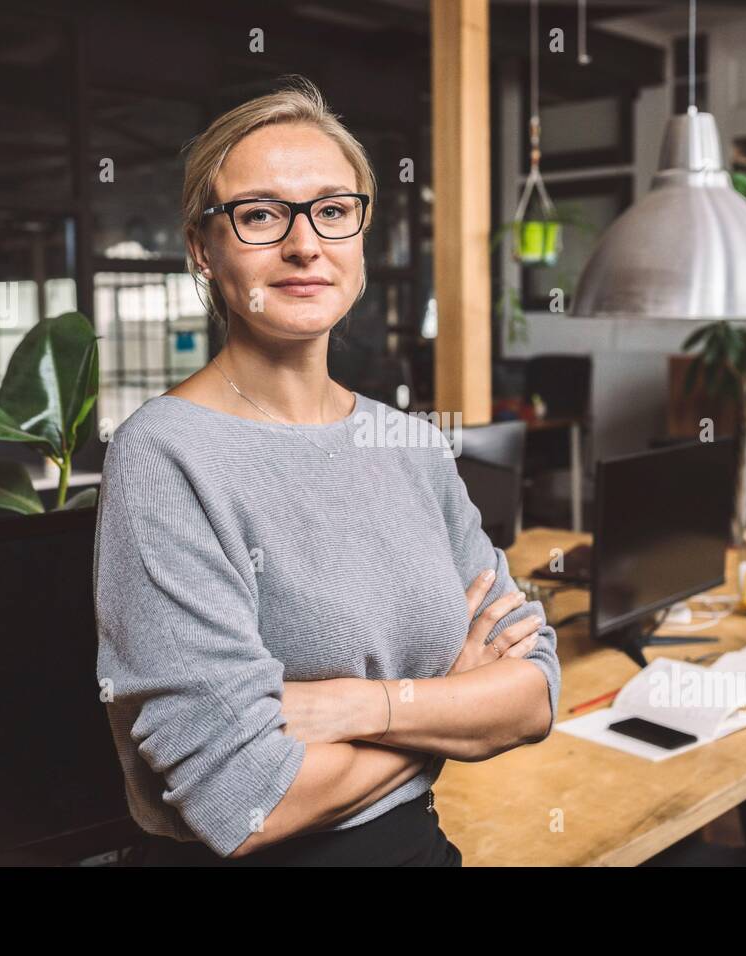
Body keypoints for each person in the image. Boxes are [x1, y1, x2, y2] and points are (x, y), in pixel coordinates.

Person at [92, 76, 560, 867]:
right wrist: (449, 711)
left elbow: (536, 691)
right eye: (262, 215)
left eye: (333, 211)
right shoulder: (165, 456)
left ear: (360, 237)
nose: (305, 244)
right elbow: (242, 800)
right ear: (203, 249)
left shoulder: (413, 446)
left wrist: (357, 704)